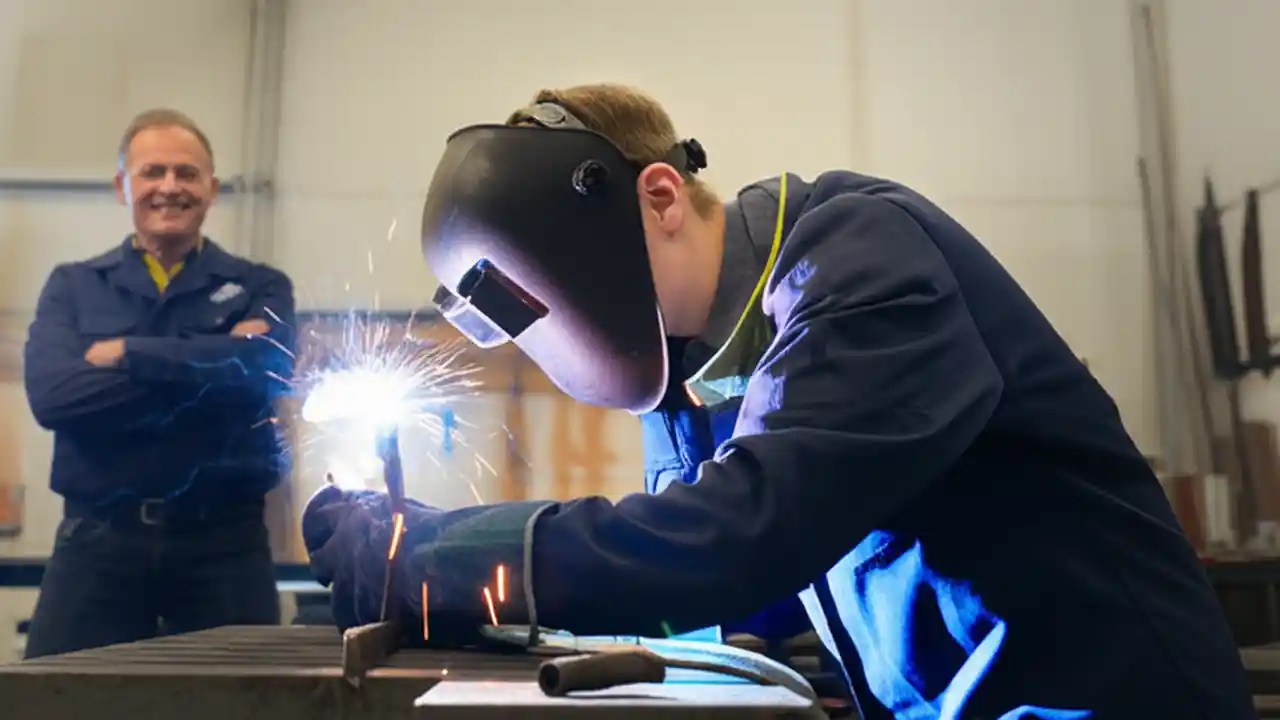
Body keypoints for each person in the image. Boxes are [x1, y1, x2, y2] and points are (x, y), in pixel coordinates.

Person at [302, 84, 1254, 718]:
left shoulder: (859, 263)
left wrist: (434, 557)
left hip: (1102, 699)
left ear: (661, 199)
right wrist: (456, 584)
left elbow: (734, 537)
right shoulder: (690, 369)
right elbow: (718, 606)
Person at [22, 108, 296, 658]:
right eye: (152, 173)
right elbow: (54, 398)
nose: (169, 187)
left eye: (186, 174)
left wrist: (128, 353)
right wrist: (212, 360)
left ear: (212, 189)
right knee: (52, 703)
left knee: (245, 705)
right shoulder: (73, 286)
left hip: (223, 547)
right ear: (122, 186)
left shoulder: (259, 285)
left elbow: (261, 372)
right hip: (97, 544)